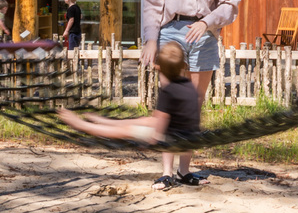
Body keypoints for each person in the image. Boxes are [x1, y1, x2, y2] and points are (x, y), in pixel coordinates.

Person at [139, 0, 241, 188]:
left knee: (193, 106)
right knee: (171, 100)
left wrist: (207, 22)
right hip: (171, 32)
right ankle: (166, 171)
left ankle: (185, 171)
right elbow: (152, 3)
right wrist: (150, 39)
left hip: (204, 35)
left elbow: (232, 1)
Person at [56, 42, 200, 191]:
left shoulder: (168, 91)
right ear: (183, 64)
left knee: (128, 129)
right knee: (145, 120)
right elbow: (188, 116)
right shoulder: (189, 86)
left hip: (171, 139)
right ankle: (104, 121)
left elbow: (161, 123)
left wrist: (150, 141)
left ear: (159, 68)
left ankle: (83, 125)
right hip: (187, 136)